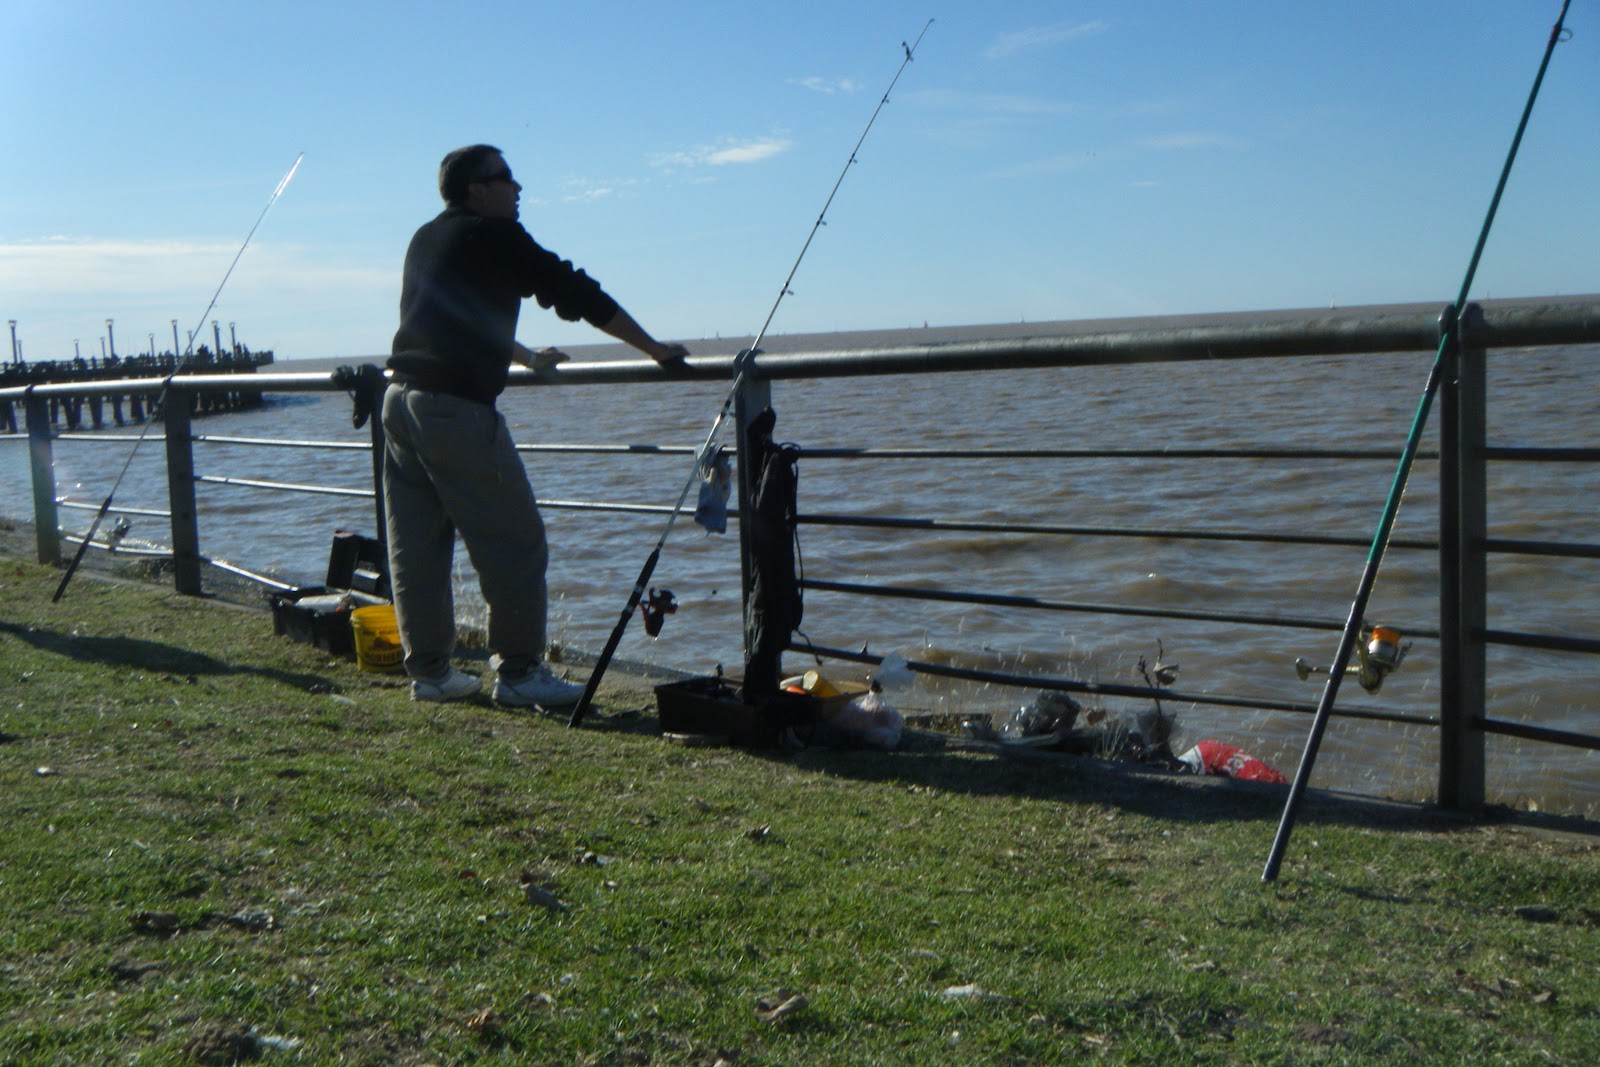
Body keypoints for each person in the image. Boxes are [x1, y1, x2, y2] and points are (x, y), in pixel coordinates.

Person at [384, 144, 688, 706]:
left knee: (417, 551)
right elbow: (571, 290)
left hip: (401, 402)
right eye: (507, 179)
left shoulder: (428, 237)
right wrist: (652, 348)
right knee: (517, 546)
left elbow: (453, 316)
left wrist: (523, 357)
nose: (518, 189)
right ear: (478, 189)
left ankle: (430, 674)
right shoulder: (494, 234)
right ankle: (521, 676)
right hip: (455, 409)